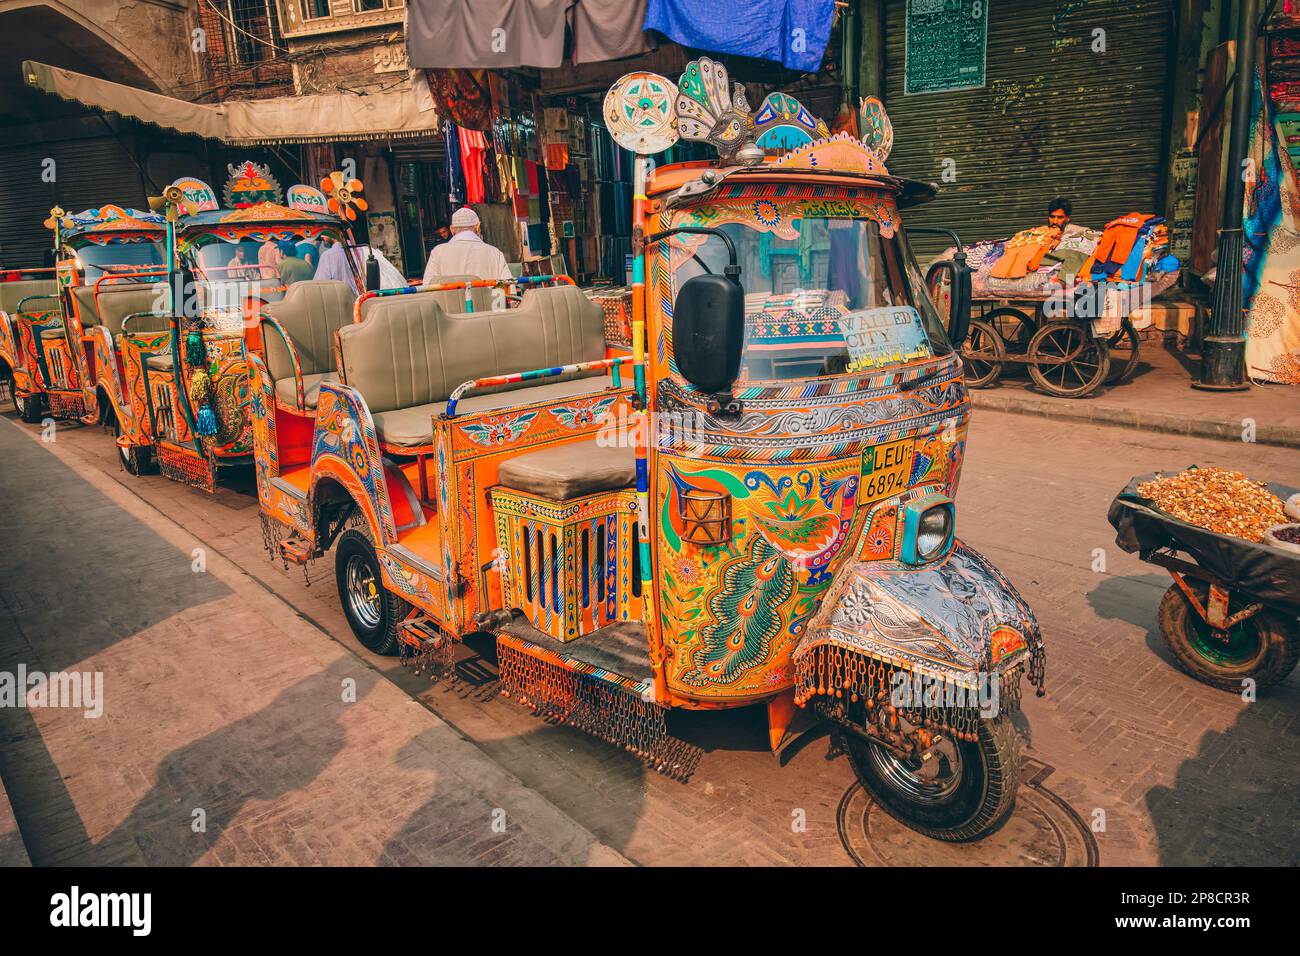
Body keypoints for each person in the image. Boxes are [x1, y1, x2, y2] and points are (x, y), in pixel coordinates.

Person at [421, 206, 512, 285]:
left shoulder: (437, 252)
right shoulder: (494, 253)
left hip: (448, 305)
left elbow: (428, 286)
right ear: (478, 227)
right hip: (487, 304)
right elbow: (508, 285)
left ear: (452, 229)